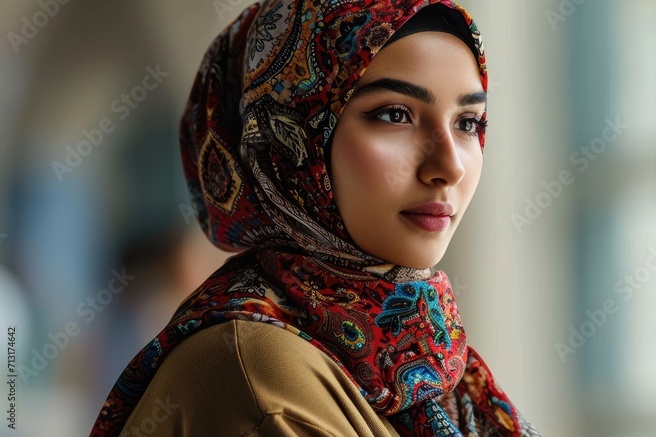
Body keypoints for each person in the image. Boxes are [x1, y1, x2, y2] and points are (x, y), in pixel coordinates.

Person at [89, 1, 538, 435]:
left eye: (468, 122)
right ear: (289, 140)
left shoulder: (422, 361)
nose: (451, 166)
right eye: (395, 115)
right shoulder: (259, 377)